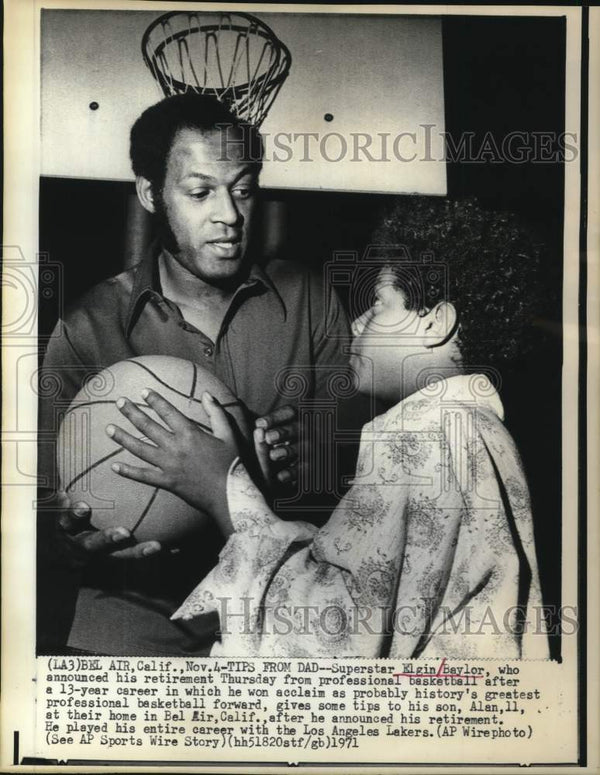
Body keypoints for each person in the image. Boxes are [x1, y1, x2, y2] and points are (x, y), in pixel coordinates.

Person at [107, 197, 550, 659]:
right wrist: (253, 491)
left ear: (436, 322)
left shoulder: (421, 435)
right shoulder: (478, 431)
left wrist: (224, 490)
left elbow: (329, 636)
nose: (359, 321)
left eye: (379, 302)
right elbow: (371, 584)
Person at [37, 93, 351, 656]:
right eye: (201, 192)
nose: (230, 216)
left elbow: (362, 482)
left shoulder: (314, 298)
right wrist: (67, 540)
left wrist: (321, 457)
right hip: (129, 620)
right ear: (151, 194)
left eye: (244, 190)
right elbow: (37, 511)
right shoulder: (88, 326)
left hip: (279, 615)